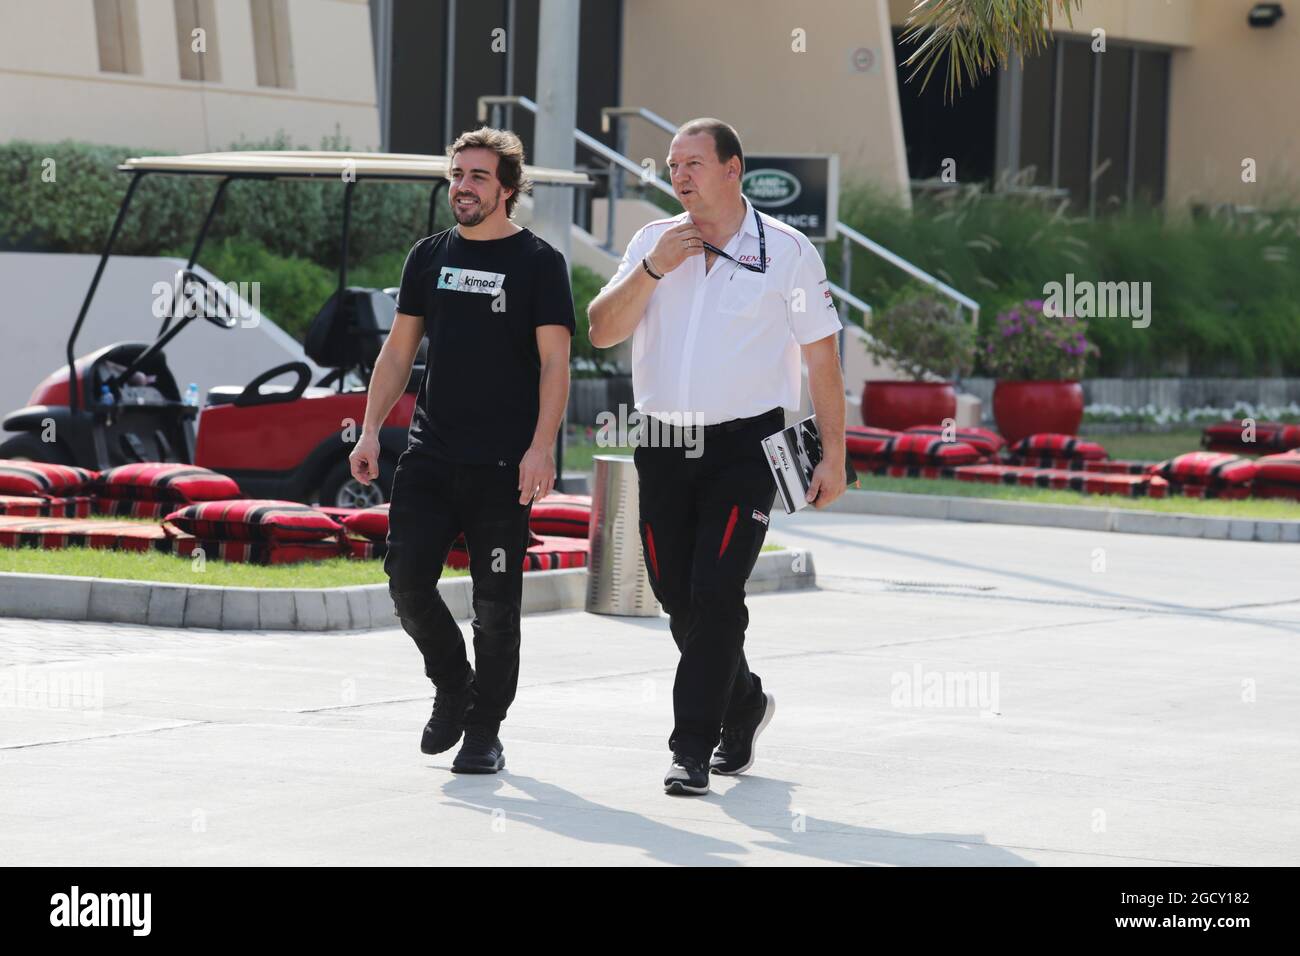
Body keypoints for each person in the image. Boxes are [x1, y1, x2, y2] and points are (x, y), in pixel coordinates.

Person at [587, 118, 848, 795]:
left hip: (744, 447)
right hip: (663, 443)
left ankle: (691, 747)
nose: (680, 176)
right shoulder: (651, 241)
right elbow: (601, 328)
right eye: (673, 164)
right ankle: (745, 701)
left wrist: (835, 455)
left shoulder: (787, 252)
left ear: (734, 169)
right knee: (678, 596)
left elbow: (822, 356)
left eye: (695, 163)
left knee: (715, 591)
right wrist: (652, 269)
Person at [350, 127, 574, 774]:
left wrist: (542, 448)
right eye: (457, 175)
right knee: (406, 580)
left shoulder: (538, 263)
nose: (463, 187)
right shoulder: (428, 256)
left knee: (496, 606)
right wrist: (369, 430)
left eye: (477, 176)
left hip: (504, 466)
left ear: (507, 188)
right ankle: (454, 685)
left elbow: (555, 364)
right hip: (430, 457)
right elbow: (398, 351)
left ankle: (484, 730)